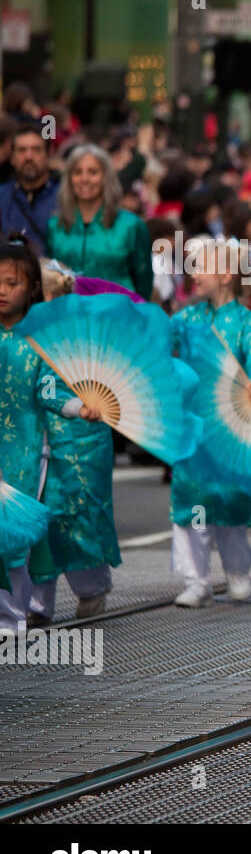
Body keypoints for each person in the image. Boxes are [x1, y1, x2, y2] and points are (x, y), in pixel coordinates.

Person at [0, 235, 95, 635]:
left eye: (11, 283)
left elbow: (49, 390)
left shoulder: (39, 340)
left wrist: (80, 407)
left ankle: (10, 620)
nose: (2, 292)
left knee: (12, 539)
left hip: (23, 452)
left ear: (33, 289)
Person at [169, 237, 251, 608]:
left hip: (232, 424)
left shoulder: (247, 320)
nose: (193, 273)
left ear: (226, 274)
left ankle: (237, 570)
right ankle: (195, 578)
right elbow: (164, 344)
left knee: (231, 495)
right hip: (194, 421)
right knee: (191, 496)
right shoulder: (186, 318)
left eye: (200, 266)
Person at [25, 261, 120, 625]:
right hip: (41, 441)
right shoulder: (22, 334)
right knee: (40, 519)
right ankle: (37, 602)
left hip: (83, 438)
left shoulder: (83, 336)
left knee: (79, 514)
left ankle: (92, 587)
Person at [47, 143, 153, 299]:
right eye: (77, 172)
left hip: (119, 314)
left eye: (93, 172)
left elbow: (144, 282)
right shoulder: (55, 225)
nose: (84, 179)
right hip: (68, 316)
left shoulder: (131, 225)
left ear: (106, 177)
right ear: (69, 179)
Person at [0, 125, 61, 255]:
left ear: (49, 154)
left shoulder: (65, 195)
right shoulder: (2, 196)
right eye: (22, 150)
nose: (28, 157)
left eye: (36, 150)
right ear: (12, 157)